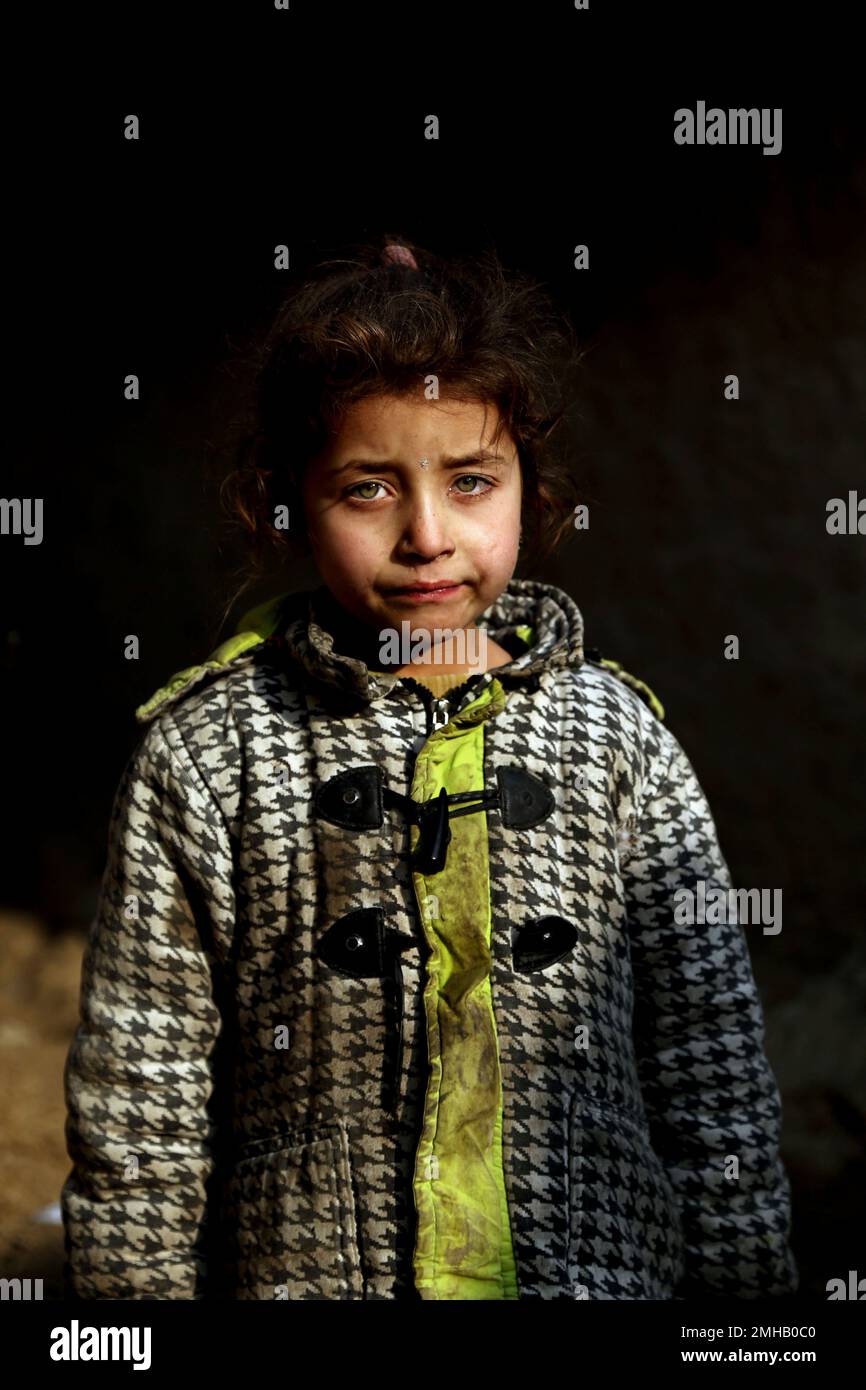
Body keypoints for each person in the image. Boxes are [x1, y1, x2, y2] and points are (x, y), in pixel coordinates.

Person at [60, 234, 798, 1300]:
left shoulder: (618, 740)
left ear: (528, 490)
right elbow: (142, 1101)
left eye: (469, 481)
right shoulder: (209, 755)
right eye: (367, 488)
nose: (426, 534)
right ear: (285, 501)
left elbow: (712, 1073)